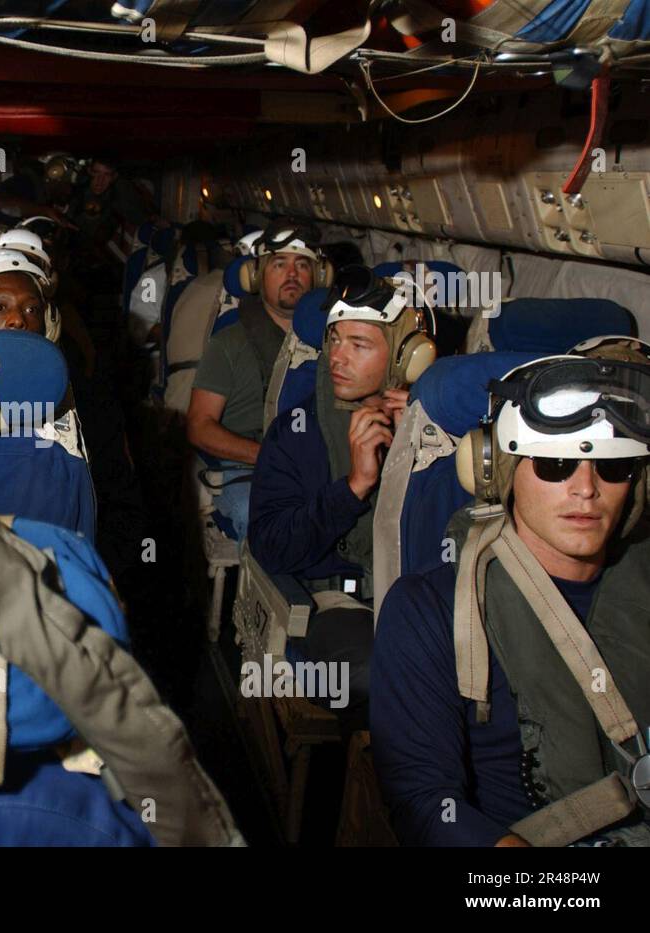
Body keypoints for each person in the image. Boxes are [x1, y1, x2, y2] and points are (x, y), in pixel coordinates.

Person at [372, 349, 650, 846]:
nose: (586, 489)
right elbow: (426, 800)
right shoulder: (428, 610)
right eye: (554, 463)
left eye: (614, 468)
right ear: (497, 470)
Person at [247, 266, 437, 723]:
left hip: (424, 601)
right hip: (342, 603)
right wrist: (353, 487)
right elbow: (270, 547)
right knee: (386, 674)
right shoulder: (297, 430)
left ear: (405, 358)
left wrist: (425, 444)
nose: (337, 357)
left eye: (359, 344)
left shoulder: (440, 431)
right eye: (335, 339)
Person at [185, 223, 331, 540]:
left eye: (302, 265)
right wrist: (266, 454)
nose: (292, 274)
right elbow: (199, 425)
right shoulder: (228, 344)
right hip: (248, 466)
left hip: (319, 464)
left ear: (318, 278)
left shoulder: (335, 344)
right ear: (257, 276)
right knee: (266, 519)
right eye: (279, 265)